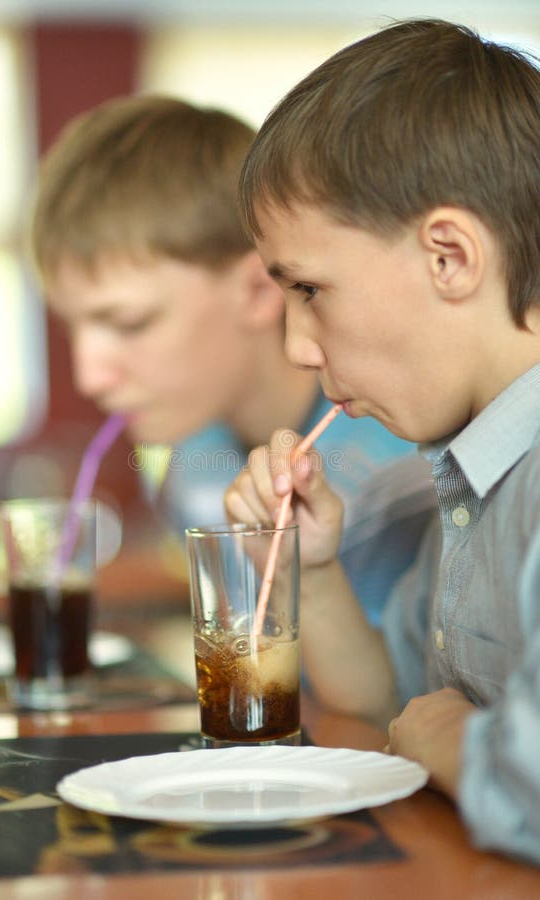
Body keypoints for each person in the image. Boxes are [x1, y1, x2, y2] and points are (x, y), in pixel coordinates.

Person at [224, 19, 540, 863]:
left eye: (310, 288)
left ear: (448, 256)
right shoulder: (475, 471)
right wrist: (312, 569)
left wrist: (449, 746)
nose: (296, 345)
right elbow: (387, 698)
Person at [29, 93, 434, 623]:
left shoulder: (404, 468)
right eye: (71, 325)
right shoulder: (193, 455)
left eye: (131, 323)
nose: (89, 376)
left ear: (258, 290)